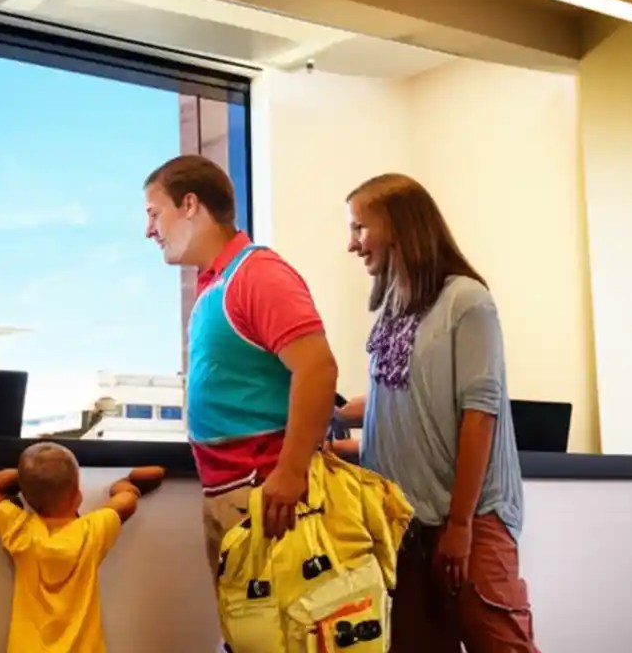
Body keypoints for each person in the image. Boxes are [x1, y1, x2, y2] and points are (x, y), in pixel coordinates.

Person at [336, 173, 537, 652]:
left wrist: (461, 526)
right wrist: (330, 418)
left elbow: (479, 415)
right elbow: (395, 401)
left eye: (360, 228)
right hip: (404, 526)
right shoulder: (391, 308)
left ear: (400, 227)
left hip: (467, 521)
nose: (352, 244)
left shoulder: (467, 301)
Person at [142, 154, 339, 570]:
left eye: (154, 214)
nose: (149, 230)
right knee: (246, 631)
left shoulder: (257, 274)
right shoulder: (215, 282)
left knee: (283, 630)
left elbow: (318, 368)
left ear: (190, 204)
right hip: (229, 490)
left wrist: (290, 472)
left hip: (266, 493)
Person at [0, 443, 164, 653]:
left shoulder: (20, 531)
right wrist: (124, 485)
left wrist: (32, 477)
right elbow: (126, 501)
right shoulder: (92, 531)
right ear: (77, 493)